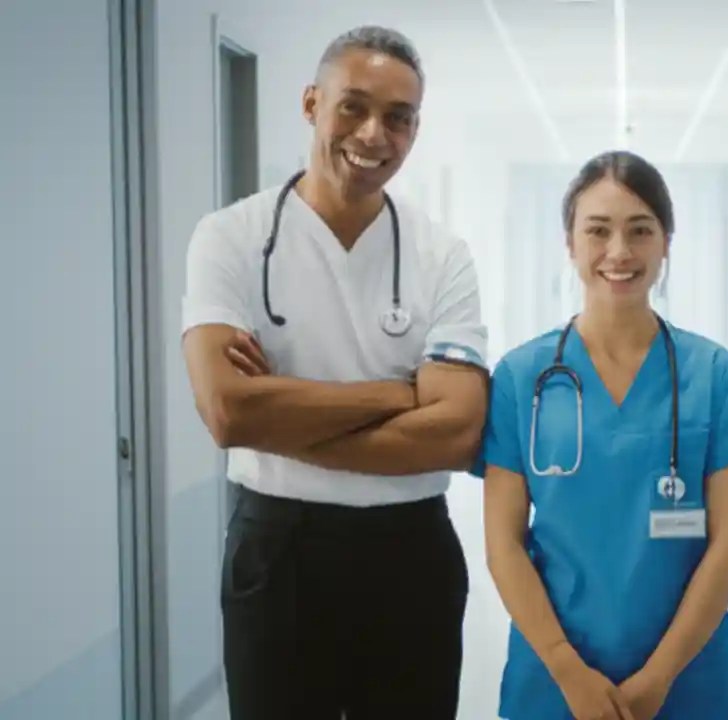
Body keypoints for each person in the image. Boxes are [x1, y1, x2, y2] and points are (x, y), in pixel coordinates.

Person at [180, 26, 488, 719]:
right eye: (353, 106)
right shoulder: (230, 238)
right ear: (312, 103)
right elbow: (228, 413)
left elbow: (459, 434)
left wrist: (280, 419)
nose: (375, 134)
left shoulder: (441, 256)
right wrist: (397, 394)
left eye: (399, 118)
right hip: (278, 552)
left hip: (410, 553)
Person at [476, 150, 728, 720]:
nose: (619, 252)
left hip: (687, 679)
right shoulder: (522, 377)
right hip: (555, 681)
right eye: (598, 231)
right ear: (570, 243)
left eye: (641, 231)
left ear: (666, 241)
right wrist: (568, 670)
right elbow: (503, 546)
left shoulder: (711, 372)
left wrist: (660, 676)